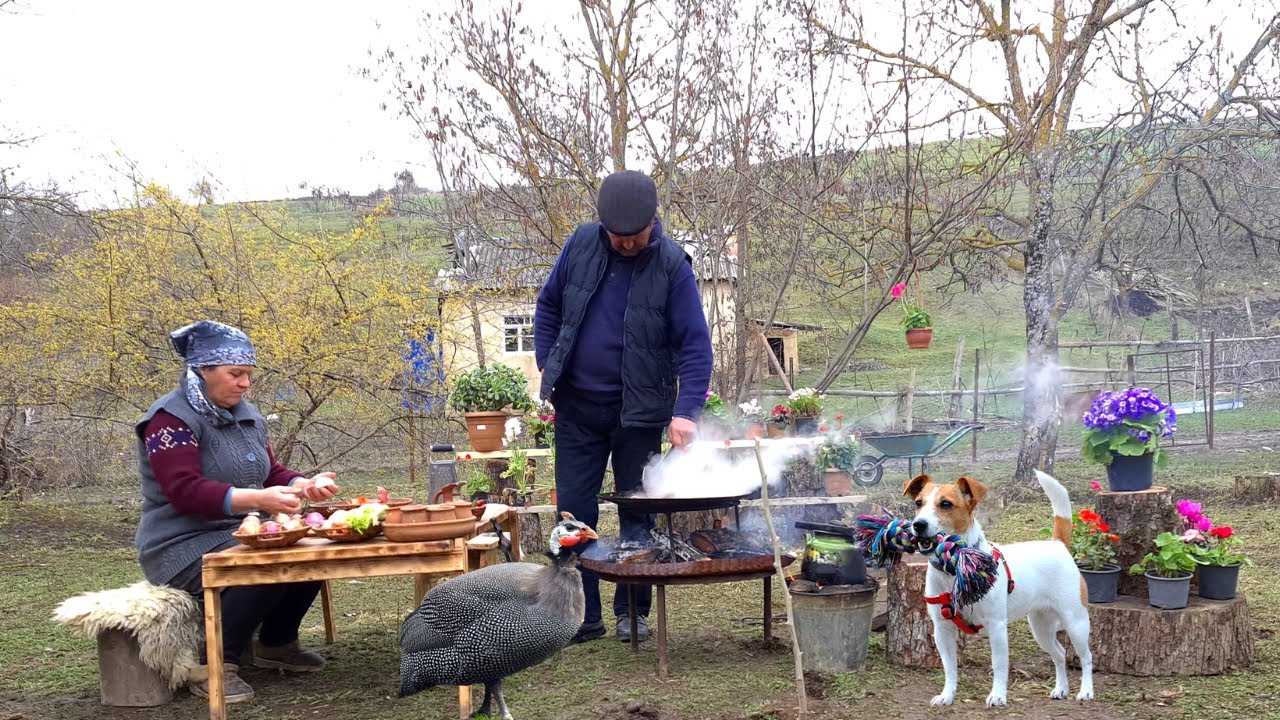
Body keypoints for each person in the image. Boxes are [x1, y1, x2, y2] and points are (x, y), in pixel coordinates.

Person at [534, 170, 713, 644]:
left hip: (640, 413)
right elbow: (548, 305)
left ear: (652, 223)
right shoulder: (581, 243)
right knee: (573, 514)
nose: (626, 244)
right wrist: (547, 363)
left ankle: (631, 613)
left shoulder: (674, 264)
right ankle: (580, 615)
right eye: (617, 236)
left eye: (634, 237)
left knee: (637, 514)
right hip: (577, 408)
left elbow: (695, 344)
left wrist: (686, 411)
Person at [134, 320, 340, 703]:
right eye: (236, 374)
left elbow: (269, 471)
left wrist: (302, 484)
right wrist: (259, 501)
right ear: (202, 371)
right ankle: (214, 664)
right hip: (180, 543)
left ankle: (276, 643)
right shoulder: (168, 420)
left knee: (310, 548)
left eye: (248, 375)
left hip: (238, 529)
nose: (245, 383)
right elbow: (185, 492)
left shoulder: (247, 414)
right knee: (261, 561)